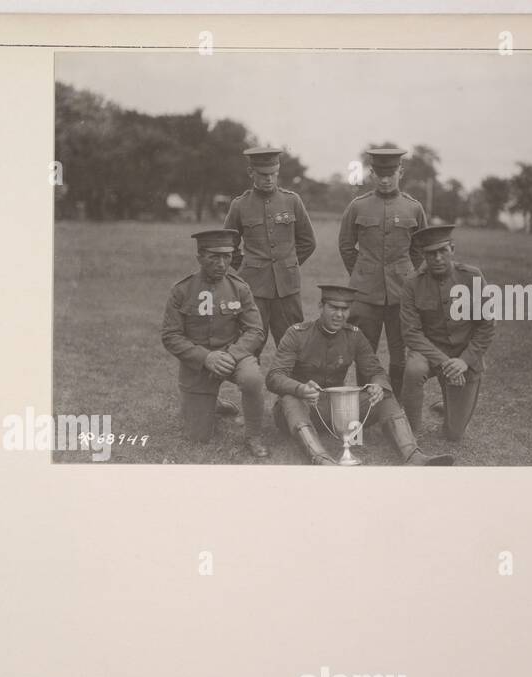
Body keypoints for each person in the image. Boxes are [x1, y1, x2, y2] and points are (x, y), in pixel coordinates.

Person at [266, 284, 453, 466]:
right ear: (321, 307)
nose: (339, 314)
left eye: (345, 309)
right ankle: (321, 459)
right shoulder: (297, 334)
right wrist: (300, 388)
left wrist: (378, 385)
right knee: (290, 398)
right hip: (299, 410)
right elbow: (274, 376)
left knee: (385, 394)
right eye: (333, 308)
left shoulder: (354, 335)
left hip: (337, 410)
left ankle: (413, 455)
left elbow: (376, 371)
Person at [161, 228, 269, 457]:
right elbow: (171, 336)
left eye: (227, 256)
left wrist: (232, 355)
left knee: (252, 379)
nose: (222, 263)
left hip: (233, 355)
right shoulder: (182, 290)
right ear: (200, 257)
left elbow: (255, 330)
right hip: (198, 362)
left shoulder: (239, 288)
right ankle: (213, 402)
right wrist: (205, 357)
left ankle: (254, 436)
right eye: (214, 257)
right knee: (198, 437)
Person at [337, 147, 428, 394]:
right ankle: (366, 405)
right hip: (365, 294)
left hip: (402, 293)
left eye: (391, 174)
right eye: (380, 174)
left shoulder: (413, 208)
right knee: (365, 352)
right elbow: (346, 245)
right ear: (372, 174)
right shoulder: (358, 206)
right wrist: (361, 272)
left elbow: (420, 248)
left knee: (400, 355)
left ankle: (394, 404)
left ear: (401, 172)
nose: (385, 179)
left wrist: (407, 273)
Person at [400, 224, 495, 441]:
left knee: (454, 433)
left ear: (452, 249)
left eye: (443, 251)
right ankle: (411, 431)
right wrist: (445, 362)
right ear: (424, 255)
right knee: (414, 370)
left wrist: (464, 361)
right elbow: (411, 333)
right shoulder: (412, 283)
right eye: (431, 253)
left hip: (464, 354)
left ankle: (448, 405)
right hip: (429, 350)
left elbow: (486, 326)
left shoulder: (472, 277)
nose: (438, 258)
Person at [222, 146, 317, 347]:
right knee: (250, 345)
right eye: (264, 174)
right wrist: (246, 267)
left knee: (293, 345)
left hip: (287, 289)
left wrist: (288, 264)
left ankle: (291, 380)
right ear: (251, 173)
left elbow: (308, 242)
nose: (269, 179)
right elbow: (227, 244)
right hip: (254, 289)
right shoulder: (239, 205)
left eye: (274, 174)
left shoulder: (292, 201)